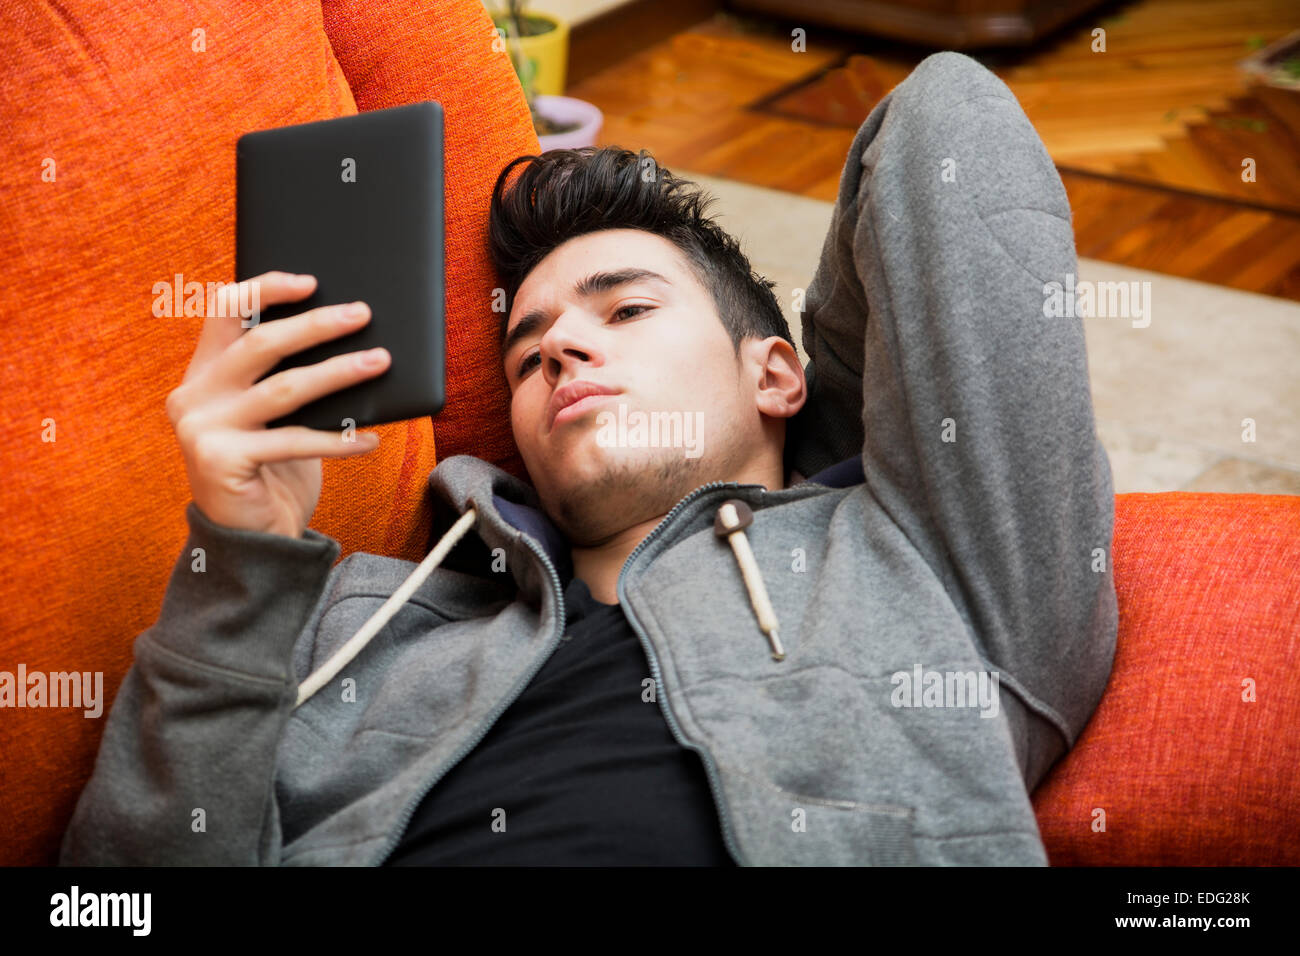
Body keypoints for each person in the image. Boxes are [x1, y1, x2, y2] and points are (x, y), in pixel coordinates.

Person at [60, 50, 1117, 866]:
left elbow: (944, 117)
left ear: (778, 374)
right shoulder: (365, 625)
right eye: (526, 352)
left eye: (625, 307)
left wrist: (812, 445)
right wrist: (239, 568)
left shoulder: (923, 565)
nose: (560, 345)